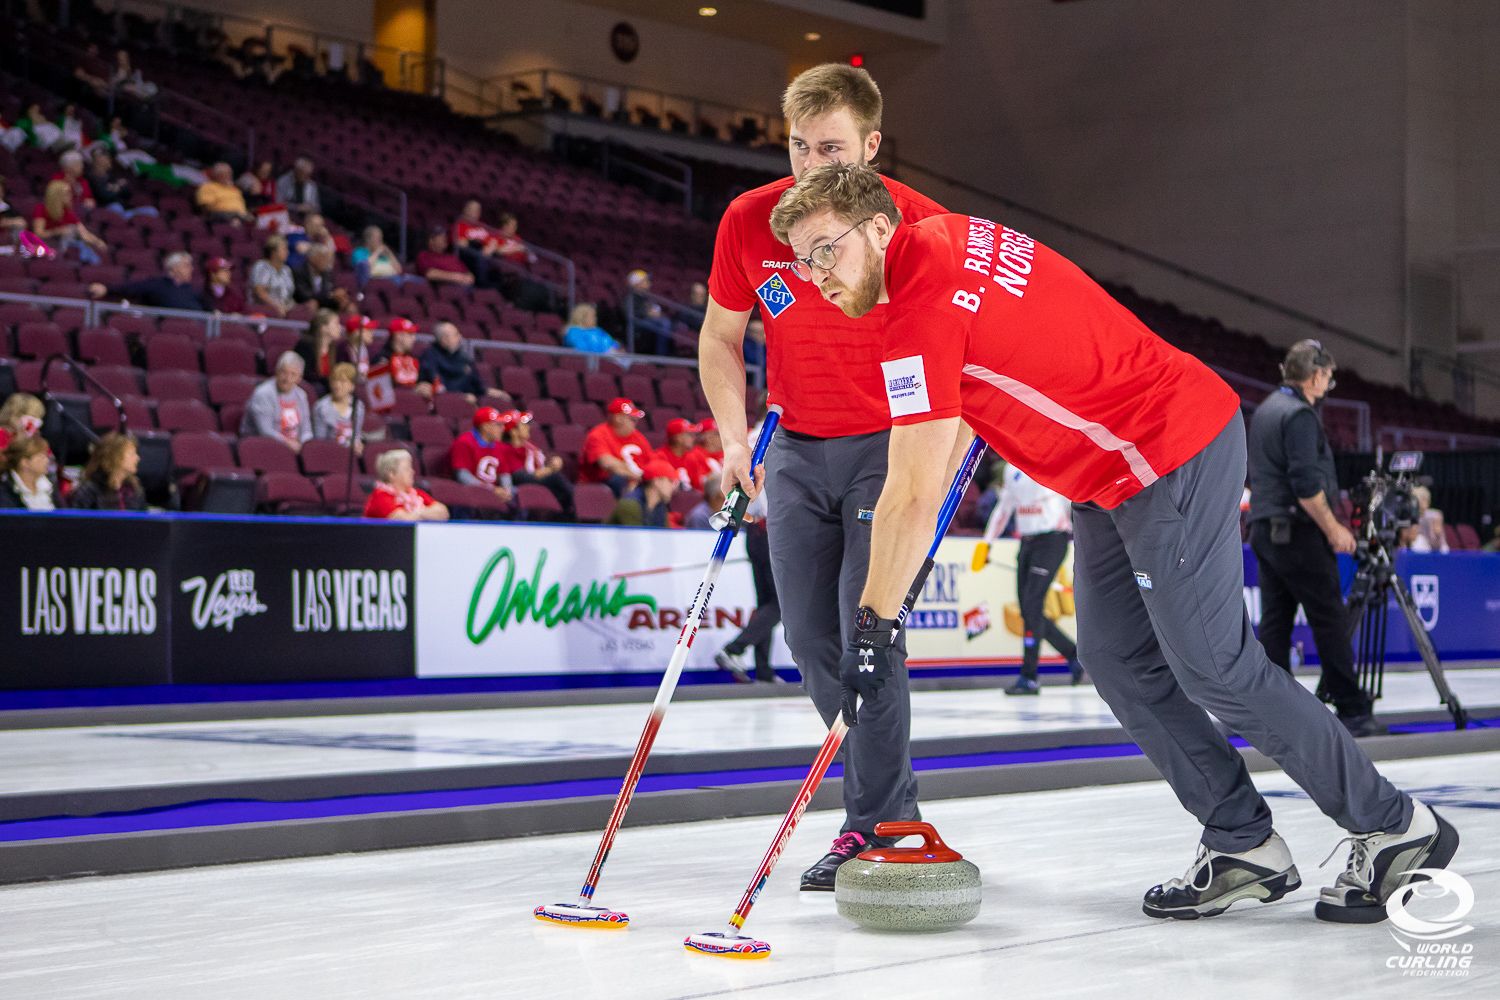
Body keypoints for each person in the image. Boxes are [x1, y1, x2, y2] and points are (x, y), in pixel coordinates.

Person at [770, 160, 1458, 924]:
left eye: (826, 250)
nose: (815, 276)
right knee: (1117, 659)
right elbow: (961, 409)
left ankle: (1395, 825)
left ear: (877, 227)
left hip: (1165, 448)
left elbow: (908, 491)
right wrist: (889, 595)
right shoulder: (946, 239)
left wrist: (870, 629)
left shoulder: (915, 308)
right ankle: (1241, 838)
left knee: (1215, 666)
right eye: (801, 262)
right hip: (1108, 476)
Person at [699, 63, 948, 890]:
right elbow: (719, 338)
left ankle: (874, 826)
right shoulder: (749, 221)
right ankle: (891, 808)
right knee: (811, 644)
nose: (811, 165)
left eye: (831, 149)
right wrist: (732, 439)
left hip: (891, 449)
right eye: (799, 147)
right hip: (796, 450)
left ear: (872, 147)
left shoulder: (918, 224)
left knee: (867, 630)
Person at [1246, 340, 1383, 737]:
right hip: (1298, 532)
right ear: (1316, 375)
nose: (1328, 384)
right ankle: (1353, 708)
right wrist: (1334, 528)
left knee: (1276, 623)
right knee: (1329, 618)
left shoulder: (1266, 409)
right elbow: (1306, 486)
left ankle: (1276, 711)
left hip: (1265, 529)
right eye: (1328, 377)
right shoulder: (1300, 415)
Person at [973, 462, 1085, 695]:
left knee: (1032, 606)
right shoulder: (1011, 469)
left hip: (1052, 540)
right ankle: (1072, 655)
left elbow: (1074, 500)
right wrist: (987, 542)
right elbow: (1004, 507)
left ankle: (1029, 676)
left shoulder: (1052, 461)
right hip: (1027, 542)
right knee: (1028, 610)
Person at [715, 420, 781, 683]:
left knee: (766, 603)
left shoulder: (748, 437)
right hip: (771, 529)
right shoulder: (776, 436)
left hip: (755, 530)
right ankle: (734, 649)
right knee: (778, 604)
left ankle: (763, 670)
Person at [498, 409, 573, 514]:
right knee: (556, 478)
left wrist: (554, 463)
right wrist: (551, 469)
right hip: (519, 489)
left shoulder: (529, 447)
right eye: (524, 425)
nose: (528, 427)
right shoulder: (506, 450)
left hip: (536, 487)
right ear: (513, 432)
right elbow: (522, 478)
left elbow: (541, 465)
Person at [242, 352, 313, 453]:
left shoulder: (301, 395)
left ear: (299, 378)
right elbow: (265, 431)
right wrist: (289, 444)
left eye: (293, 374)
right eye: (284, 372)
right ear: (277, 372)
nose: (287, 379)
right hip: (263, 447)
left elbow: (306, 430)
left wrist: (305, 446)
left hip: (294, 447)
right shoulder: (263, 394)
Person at [88, 252, 209, 311]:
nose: (191, 269)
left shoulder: (195, 290)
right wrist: (107, 289)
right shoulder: (157, 284)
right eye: (187, 265)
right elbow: (132, 287)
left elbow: (209, 310)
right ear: (174, 268)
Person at [416, 322, 504, 402]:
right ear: (444, 339)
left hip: (466, 400)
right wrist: (461, 396)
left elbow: (476, 382)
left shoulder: (464, 358)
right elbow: (437, 383)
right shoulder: (429, 356)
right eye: (456, 335)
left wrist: (486, 391)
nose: (460, 337)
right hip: (444, 400)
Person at [581, 397, 651, 497]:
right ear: (618, 418)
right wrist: (635, 477)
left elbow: (652, 463)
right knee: (618, 479)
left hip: (634, 482)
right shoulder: (598, 434)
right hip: (600, 486)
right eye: (632, 419)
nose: (635, 423)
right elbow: (607, 463)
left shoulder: (638, 437)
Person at [449, 406, 515, 504]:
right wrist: (491, 490)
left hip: (493, 492)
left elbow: (504, 474)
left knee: (518, 495)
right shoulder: (464, 442)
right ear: (485, 426)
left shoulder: (499, 446)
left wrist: (507, 491)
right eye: (498, 425)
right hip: (468, 493)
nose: (502, 429)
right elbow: (462, 476)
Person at [31, 180, 106, 265]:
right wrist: (58, 231)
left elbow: (84, 233)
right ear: (56, 195)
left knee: (77, 237)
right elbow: (38, 234)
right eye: (67, 193)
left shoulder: (67, 212)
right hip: (48, 243)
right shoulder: (41, 208)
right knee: (71, 235)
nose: (70, 196)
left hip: (65, 243)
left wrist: (98, 242)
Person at [365, 448, 448, 521]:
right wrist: (426, 512)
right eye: (407, 469)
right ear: (392, 474)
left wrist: (420, 513)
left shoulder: (417, 493)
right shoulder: (380, 496)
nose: (412, 472)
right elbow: (403, 519)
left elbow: (443, 512)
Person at [69, 432, 146, 511]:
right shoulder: (89, 491)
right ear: (114, 457)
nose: (137, 458)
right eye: (132, 454)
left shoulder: (135, 490)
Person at [607, 458, 679, 528]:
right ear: (657, 481)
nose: (673, 487)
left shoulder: (660, 507)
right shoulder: (630, 505)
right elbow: (636, 535)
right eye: (670, 481)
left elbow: (665, 534)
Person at [312, 363, 364, 450]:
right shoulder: (321, 408)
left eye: (343, 381)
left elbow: (357, 436)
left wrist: (357, 445)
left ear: (352, 386)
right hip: (330, 452)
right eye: (334, 380)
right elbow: (320, 442)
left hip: (351, 453)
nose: (337, 385)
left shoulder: (358, 406)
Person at [623, 268, 673, 354]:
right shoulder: (630, 298)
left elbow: (654, 309)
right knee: (664, 323)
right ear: (637, 284)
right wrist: (647, 314)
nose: (649, 283)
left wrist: (657, 313)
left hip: (648, 321)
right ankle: (661, 355)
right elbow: (629, 313)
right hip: (637, 322)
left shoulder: (647, 297)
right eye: (645, 281)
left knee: (668, 323)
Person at [0, 435, 56, 511]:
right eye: (41, 457)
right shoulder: (5, 491)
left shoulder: (50, 485)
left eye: (46, 456)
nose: (47, 461)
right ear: (25, 463)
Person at [656, 417, 711, 490]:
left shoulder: (691, 458)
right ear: (678, 438)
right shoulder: (660, 457)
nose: (693, 438)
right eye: (689, 435)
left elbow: (698, 487)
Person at [296, 309, 342, 390]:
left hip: (328, 386)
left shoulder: (334, 348)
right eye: (336, 323)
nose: (340, 327)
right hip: (312, 387)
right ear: (323, 328)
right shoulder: (306, 345)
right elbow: (307, 375)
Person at [250, 235, 295, 316]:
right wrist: (277, 306)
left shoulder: (287, 270)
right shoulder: (262, 266)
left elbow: (289, 296)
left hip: (285, 308)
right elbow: (260, 292)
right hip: (265, 308)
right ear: (274, 252)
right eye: (284, 249)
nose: (287, 252)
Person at [293, 244, 347, 310]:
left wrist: (337, 295)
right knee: (312, 303)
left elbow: (328, 290)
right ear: (312, 258)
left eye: (327, 258)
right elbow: (304, 294)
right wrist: (331, 295)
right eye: (323, 257)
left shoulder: (326, 273)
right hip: (303, 303)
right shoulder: (300, 271)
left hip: (323, 303)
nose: (326, 261)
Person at [376, 317, 423, 391]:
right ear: (398, 335)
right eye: (410, 334)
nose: (414, 338)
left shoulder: (414, 359)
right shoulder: (383, 360)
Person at [1405, 486, 1450, 553]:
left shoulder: (1435, 516)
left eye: (1426, 499)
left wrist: (1437, 534)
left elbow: (1439, 542)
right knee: (1419, 540)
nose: (1425, 502)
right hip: (1416, 549)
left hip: (1435, 547)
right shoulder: (1408, 517)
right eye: (1422, 499)